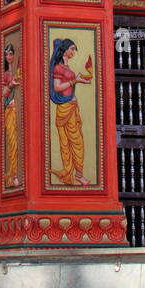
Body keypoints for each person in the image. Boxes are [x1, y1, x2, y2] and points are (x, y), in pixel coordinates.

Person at [49, 38, 93, 185]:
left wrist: (84, 80)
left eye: (75, 49)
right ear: (65, 50)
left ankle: (77, 173)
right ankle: (72, 173)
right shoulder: (58, 68)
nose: (74, 52)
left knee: (77, 141)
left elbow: (72, 82)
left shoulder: (67, 68)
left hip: (72, 108)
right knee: (69, 142)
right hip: (64, 108)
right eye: (72, 49)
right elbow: (57, 87)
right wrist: (75, 81)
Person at [1, 43, 22, 188]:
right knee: (12, 142)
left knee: (19, 142)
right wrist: (11, 85)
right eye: (6, 54)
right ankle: (13, 175)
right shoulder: (4, 74)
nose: (9, 57)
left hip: (17, 110)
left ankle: (15, 174)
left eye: (11, 53)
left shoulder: (17, 71)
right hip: (9, 110)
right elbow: (2, 95)